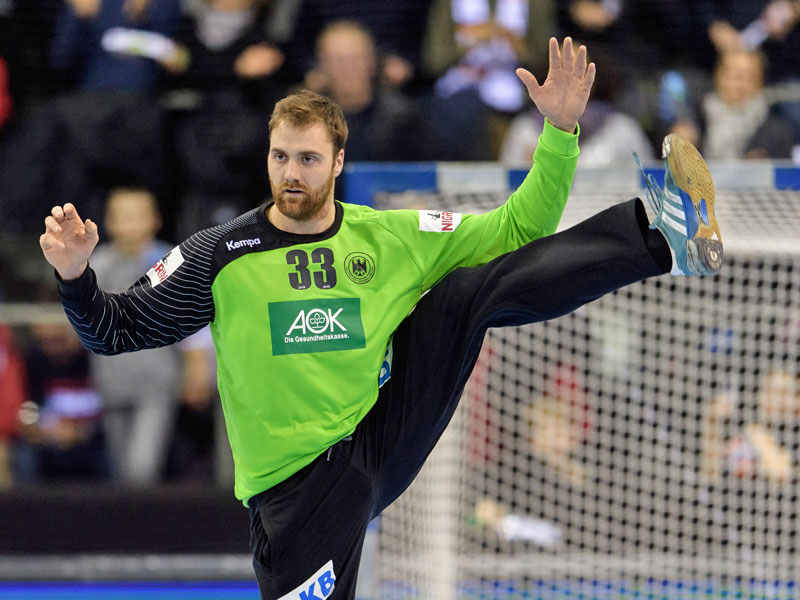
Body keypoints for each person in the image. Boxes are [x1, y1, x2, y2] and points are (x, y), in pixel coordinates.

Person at [40, 38, 722, 599]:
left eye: (308, 159)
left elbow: (522, 227)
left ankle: (665, 239)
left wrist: (560, 133)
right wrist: (76, 276)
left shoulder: (389, 237)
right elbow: (115, 330)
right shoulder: (221, 253)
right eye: (281, 157)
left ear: (339, 162)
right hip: (298, 488)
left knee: (463, 295)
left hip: (379, 432)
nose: (292, 173)